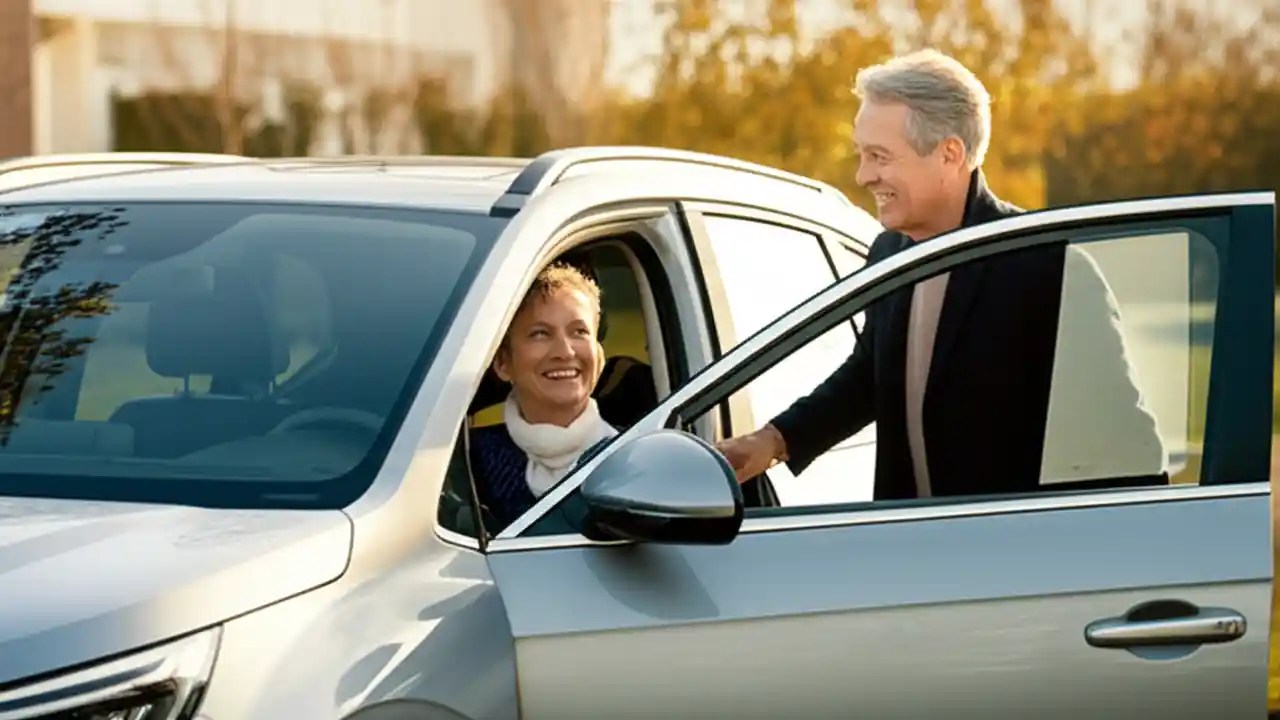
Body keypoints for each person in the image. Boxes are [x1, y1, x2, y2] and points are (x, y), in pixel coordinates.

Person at [716, 49, 1164, 501]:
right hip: (909, 548)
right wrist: (774, 441)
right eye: (862, 155)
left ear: (949, 154)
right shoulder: (888, 252)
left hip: (1018, 555)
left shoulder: (1047, 264)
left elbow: (1125, 444)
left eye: (880, 157)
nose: (863, 176)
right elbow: (869, 378)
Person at [469, 262, 617, 530]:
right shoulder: (461, 465)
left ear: (599, 355)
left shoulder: (637, 457)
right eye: (540, 334)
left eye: (579, 332)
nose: (565, 351)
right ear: (503, 362)